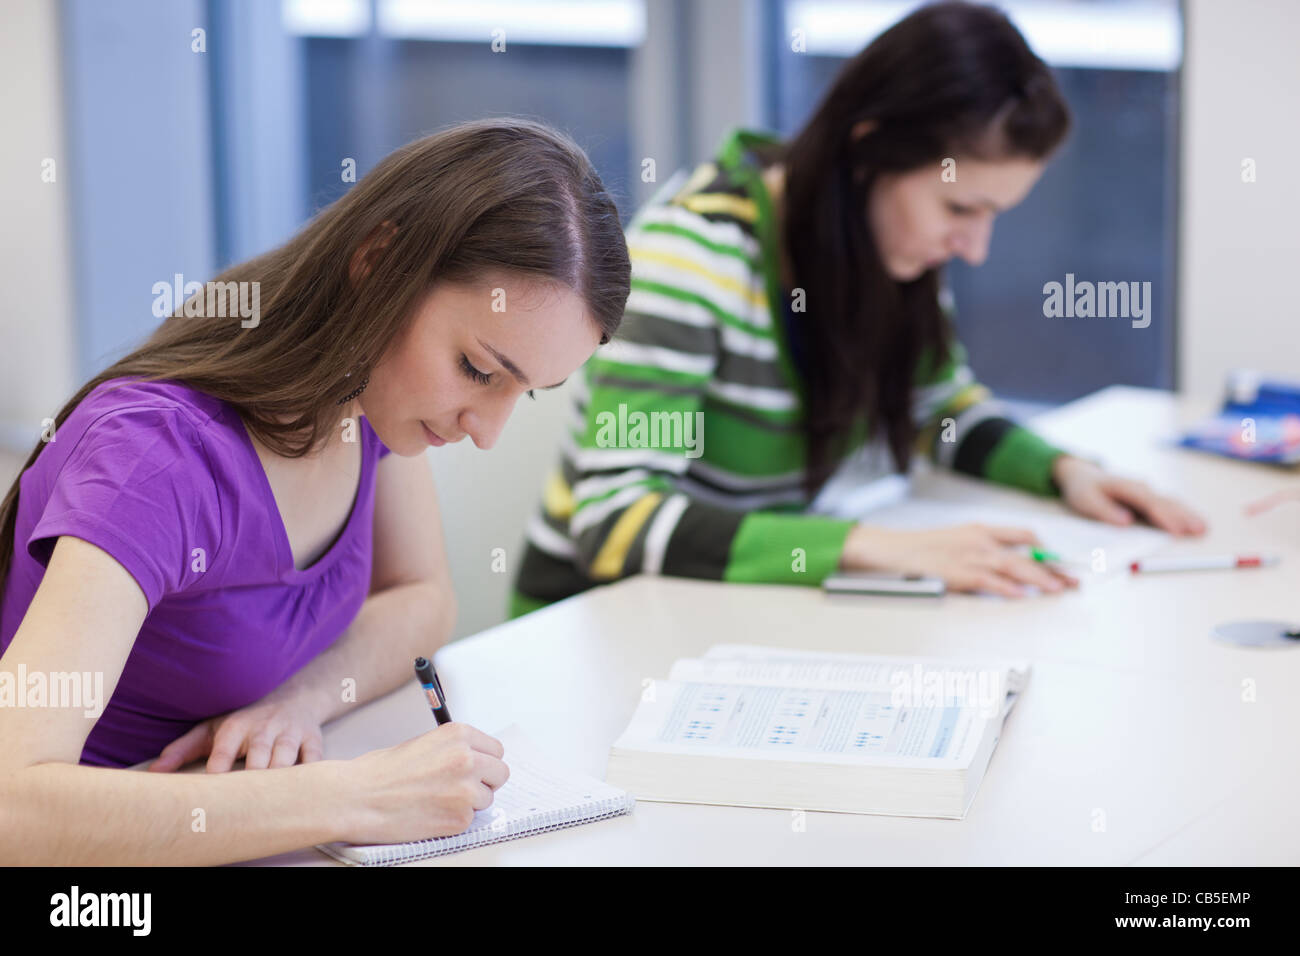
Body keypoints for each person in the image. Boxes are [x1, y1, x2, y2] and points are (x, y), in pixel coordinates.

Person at [0, 118, 630, 864]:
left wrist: (297, 700)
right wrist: (358, 795)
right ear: (378, 263)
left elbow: (424, 598)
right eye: (476, 369)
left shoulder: (365, 407)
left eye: (522, 393)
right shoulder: (154, 457)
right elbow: (13, 806)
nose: (485, 431)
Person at [511, 1, 1204, 616]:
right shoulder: (690, 261)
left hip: (727, 612)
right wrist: (877, 546)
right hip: (594, 627)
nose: (976, 248)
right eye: (961, 207)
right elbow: (615, 521)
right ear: (868, 147)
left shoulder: (889, 251)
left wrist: (1066, 473)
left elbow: (939, 411)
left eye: (994, 215)